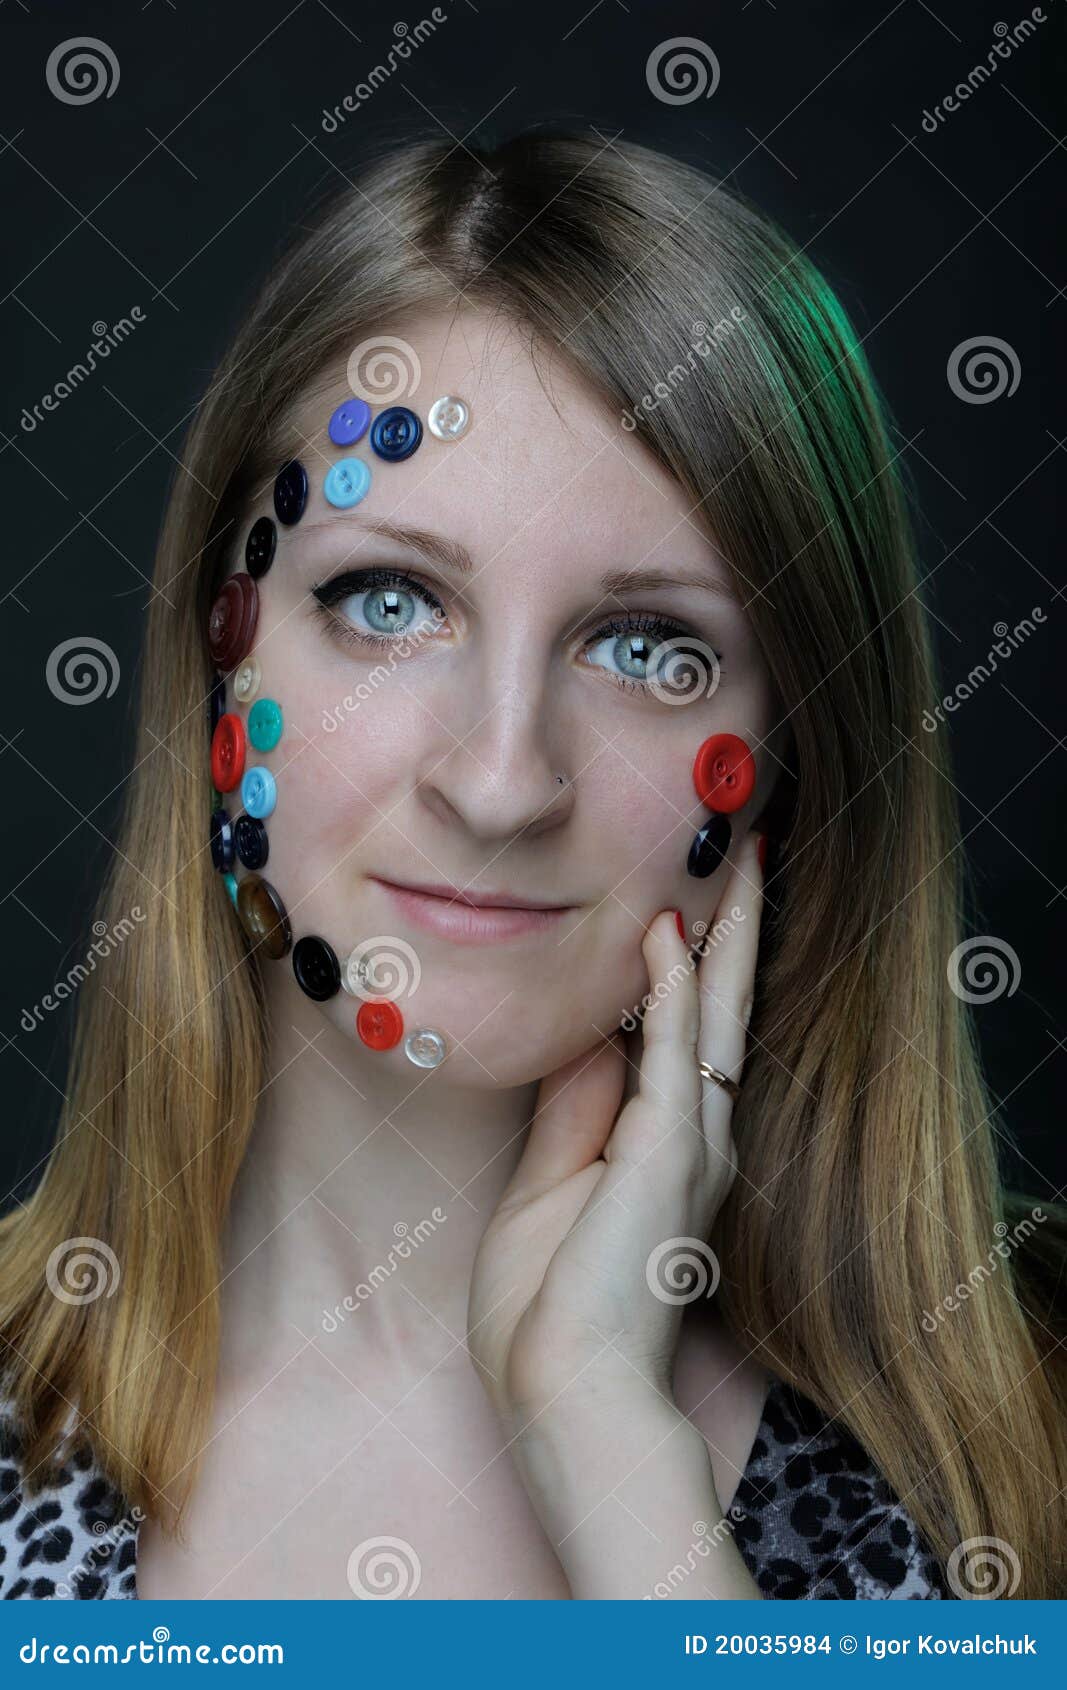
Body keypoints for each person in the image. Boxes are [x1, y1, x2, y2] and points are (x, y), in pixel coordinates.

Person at [1, 130, 1064, 1602]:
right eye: (388, 601)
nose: (500, 781)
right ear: (217, 657)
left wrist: (607, 1443)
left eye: (647, 648)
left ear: (801, 751)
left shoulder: (1031, 1446)